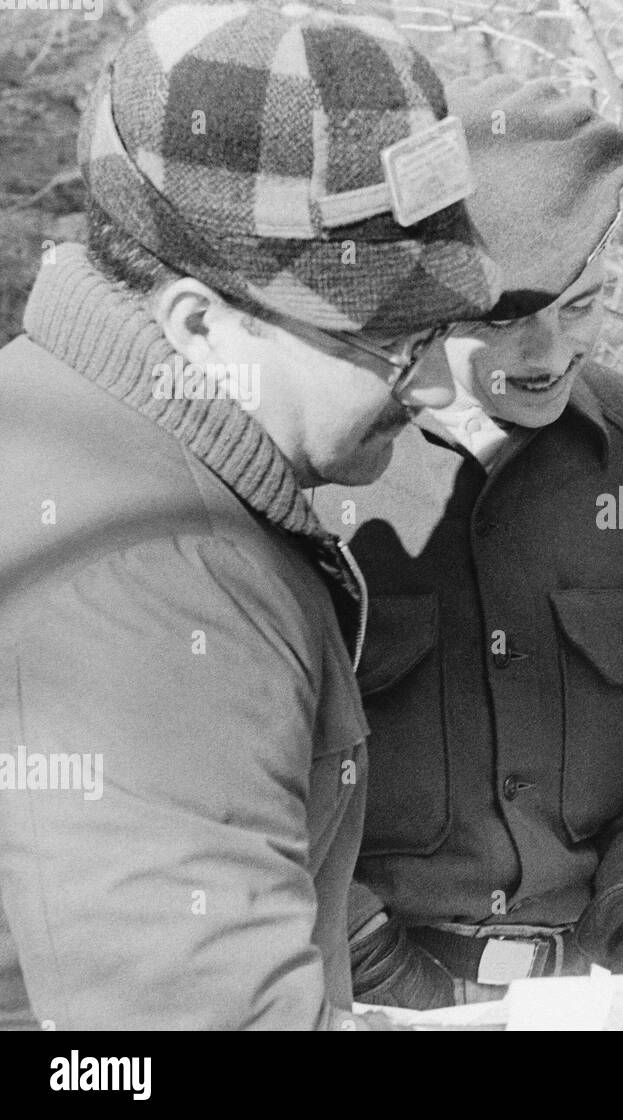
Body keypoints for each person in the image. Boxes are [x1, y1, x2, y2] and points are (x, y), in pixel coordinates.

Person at [0, 0, 500, 1030]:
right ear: (197, 324)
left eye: (442, 322)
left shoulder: (62, 423)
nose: (439, 380)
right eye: (390, 341)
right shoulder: (151, 576)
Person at [312, 76, 623, 1009]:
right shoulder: (326, 461)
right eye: (503, 318)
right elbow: (258, 772)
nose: (547, 354)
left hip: (590, 992)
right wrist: (374, 960)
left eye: (580, 308)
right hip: (357, 997)